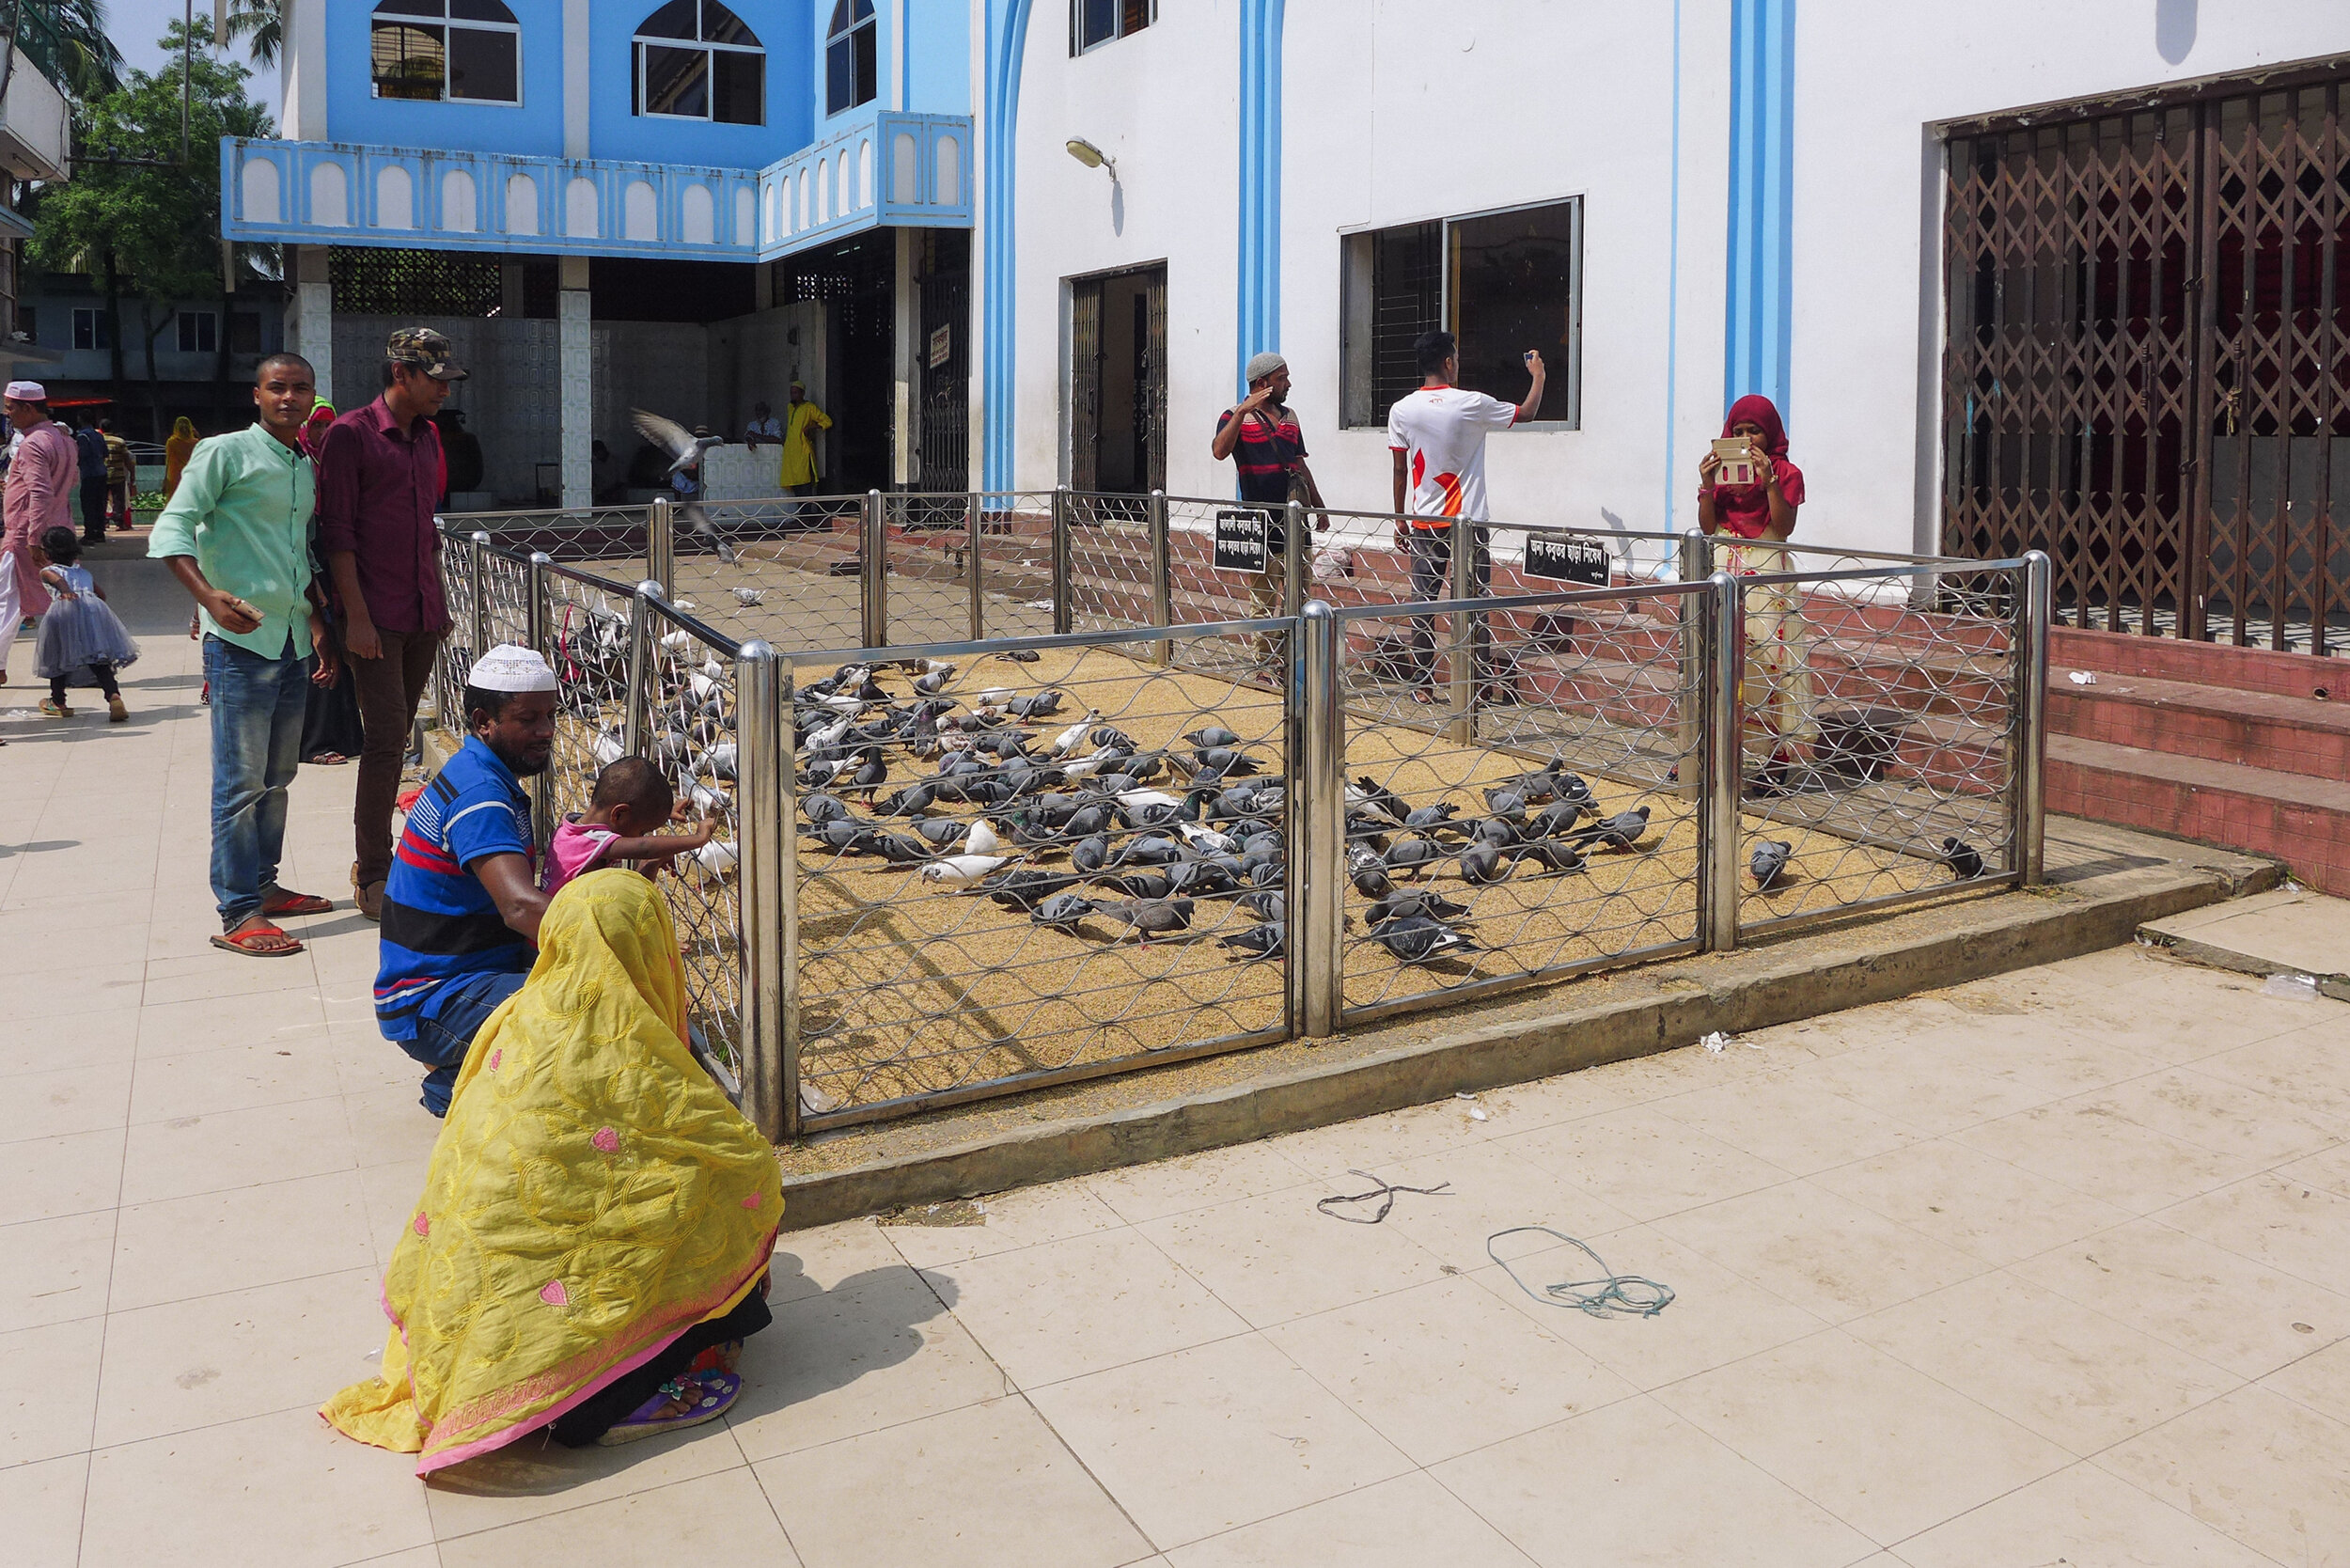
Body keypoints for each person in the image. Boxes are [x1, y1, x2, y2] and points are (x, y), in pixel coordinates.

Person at [324, 870, 781, 1468]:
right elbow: (728, 1155)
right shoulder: (627, 1044)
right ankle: (605, 1398)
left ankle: (556, 1378)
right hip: (560, 1315)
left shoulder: (512, 1018)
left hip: (475, 1301)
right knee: (739, 1189)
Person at [149, 353, 340, 958]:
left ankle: (264, 884)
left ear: (313, 397)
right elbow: (171, 529)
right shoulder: (222, 453)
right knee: (239, 784)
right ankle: (237, 912)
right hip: (239, 641)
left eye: (299, 388)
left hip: (287, 637)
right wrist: (207, 596)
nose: (289, 397)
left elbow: (298, 552)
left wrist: (316, 623)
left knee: (278, 778)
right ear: (256, 395)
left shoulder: (302, 463)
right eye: (276, 388)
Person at [318, 327, 463, 922]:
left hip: (421, 612)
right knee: (383, 745)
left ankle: (401, 859)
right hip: (374, 618)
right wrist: (355, 617)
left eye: (447, 381)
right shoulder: (351, 435)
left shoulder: (428, 437)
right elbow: (338, 535)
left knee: (399, 738)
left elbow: (426, 526)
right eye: (434, 379)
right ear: (400, 374)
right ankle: (372, 870)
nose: (443, 393)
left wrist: (440, 598)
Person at [373, 644, 556, 1117]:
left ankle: (481, 1065)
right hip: (436, 998)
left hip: (444, 986)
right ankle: (459, 1086)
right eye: (529, 719)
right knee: (587, 1004)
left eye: (551, 716)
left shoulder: (475, 772)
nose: (546, 732)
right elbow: (520, 908)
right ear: (483, 721)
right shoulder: (481, 796)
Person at [1386, 331, 1545, 703]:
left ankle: (1423, 684)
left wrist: (1400, 519)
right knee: (1475, 601)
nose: (1457, 363)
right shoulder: (1472, 403)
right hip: (1468, 523)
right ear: (1447, 362)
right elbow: (1527, 412)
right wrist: (1537, 375)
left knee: (1423, 602)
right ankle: (1475, 683)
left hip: (1425, 521)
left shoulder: (1402, 409)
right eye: (1455, 357)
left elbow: (1399, 469)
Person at [1699, 393, 1815, 794]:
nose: (1747, 439)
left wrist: (1768, 483)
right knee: (1717, 659)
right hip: (1723, 567)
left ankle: (1776, 758)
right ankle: (1712, 752)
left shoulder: (1786, 472)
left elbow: (1783, 529)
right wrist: (1707, 486)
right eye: (1739, 431)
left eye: (1755, 432)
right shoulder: (1726, 473)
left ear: (1771, 435)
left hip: (1765, 575)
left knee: (1771, 660)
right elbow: (1709, 524)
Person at [1212, 351, 1327, 660]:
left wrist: (1318, 505)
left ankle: (1293, 657)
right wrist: (1240, 413)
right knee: (1263, 599)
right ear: (1262, 382)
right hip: (1259, 526)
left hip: (1295, 523)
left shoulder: (1290, 417)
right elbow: (1219, 452)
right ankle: (1263, 660)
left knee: (1299, 595)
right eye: (1282, 378)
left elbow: (1299, 465)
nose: (1288, 383)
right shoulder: (1233, 416)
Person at [544, 757, 720, 900]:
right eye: (643, 831)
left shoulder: (573, 825)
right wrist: (698, 838)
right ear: (619, 814)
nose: (642, 836)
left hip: (557, 921)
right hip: (568, 934)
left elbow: (630, 828)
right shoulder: (592, 842)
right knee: (645, 871)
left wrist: (663, 816)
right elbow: (645, 848)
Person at [297, 401, 363, 766]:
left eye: (328, 426)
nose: (323, 434)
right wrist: (314, 579)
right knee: (317, 647)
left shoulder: (332, 464)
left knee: (340, 647)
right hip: (312, 566)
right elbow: (301, 530)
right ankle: (315, 742)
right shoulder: (302, 466)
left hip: (335, 562)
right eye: (317, 427)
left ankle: (348, 735)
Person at [3, 382, 77, 685]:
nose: (8, 416)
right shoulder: (63, 439)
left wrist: (33, 539)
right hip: (58, 531)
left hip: (25, 536)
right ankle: (81, 670)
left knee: (7, 604)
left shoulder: (33, 444)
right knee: (59, 605)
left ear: (28, 408)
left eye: (11, 409)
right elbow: (71, 481)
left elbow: (41, 492)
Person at [33, 525, 138, 721]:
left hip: (62, 614)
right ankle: (113, 696)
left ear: (47, 552)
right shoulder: (83, 573)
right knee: (98, 658)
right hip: (91, 613)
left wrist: (65, 591)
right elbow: (101, 595)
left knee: (58, 658)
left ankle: (58, 701)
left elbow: (56, 579)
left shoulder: (47, 571)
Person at [777, 380, 831, 527]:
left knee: (804, 486)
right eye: (791, 392)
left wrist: (812, 427)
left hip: (803, 451)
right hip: (791, 452)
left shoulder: (809, 407)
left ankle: (807, 518)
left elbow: (827, 421)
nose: (793, 395)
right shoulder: (790, 407)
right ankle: (802, 517)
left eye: (795, 392)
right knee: (795, 486)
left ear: (802, 393)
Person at [71, 415, 109, 546]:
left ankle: (90, 534)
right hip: (102, 472)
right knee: (100, 503)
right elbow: (105, 453)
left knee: (88, 504)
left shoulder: (82, 436)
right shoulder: (99, 435)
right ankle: (100, 532)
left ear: (80, 420)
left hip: (89, 473)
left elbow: (82, 454)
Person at [102, 419, 133, 531]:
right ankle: (119, 523)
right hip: (118, 474)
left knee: (102, 499)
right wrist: (132, 473)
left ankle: (103, 522)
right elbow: (127, 459)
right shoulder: (119, 441)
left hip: (102, 474)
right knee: (118, 500)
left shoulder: (98, 440)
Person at [163, 416, 199, 499]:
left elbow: (168, 461)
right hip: (191, 474)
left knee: (175, 499)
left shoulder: (171, 442)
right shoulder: (195, 442)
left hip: (175, 475)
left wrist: (165, 479)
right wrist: (197, 434)